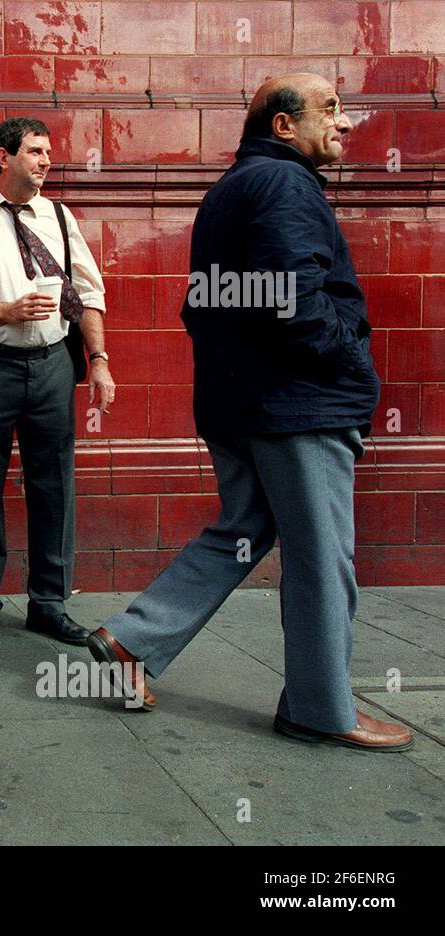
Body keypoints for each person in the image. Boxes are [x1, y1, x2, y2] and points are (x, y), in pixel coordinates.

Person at [87, 74, 414, 752]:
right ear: (283, 126)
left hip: (244, 404)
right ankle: (320, 710)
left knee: (244, 528)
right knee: (323, 559)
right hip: (296, 408)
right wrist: (354, 366)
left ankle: (131, 639)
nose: (346, 123)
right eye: (330, 109)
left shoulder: (233, 189)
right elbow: (293, 300)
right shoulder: (286, 186)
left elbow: (205, 305)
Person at [0, 117, 114, 651]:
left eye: (48, 152)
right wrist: (7, 311)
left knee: (54, 483)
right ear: (2, 157)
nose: (46, 160)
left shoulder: (59, 217)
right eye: (34, 151)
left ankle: (49, 605)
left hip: (54, 363)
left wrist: (98, 360)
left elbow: (87, 294)